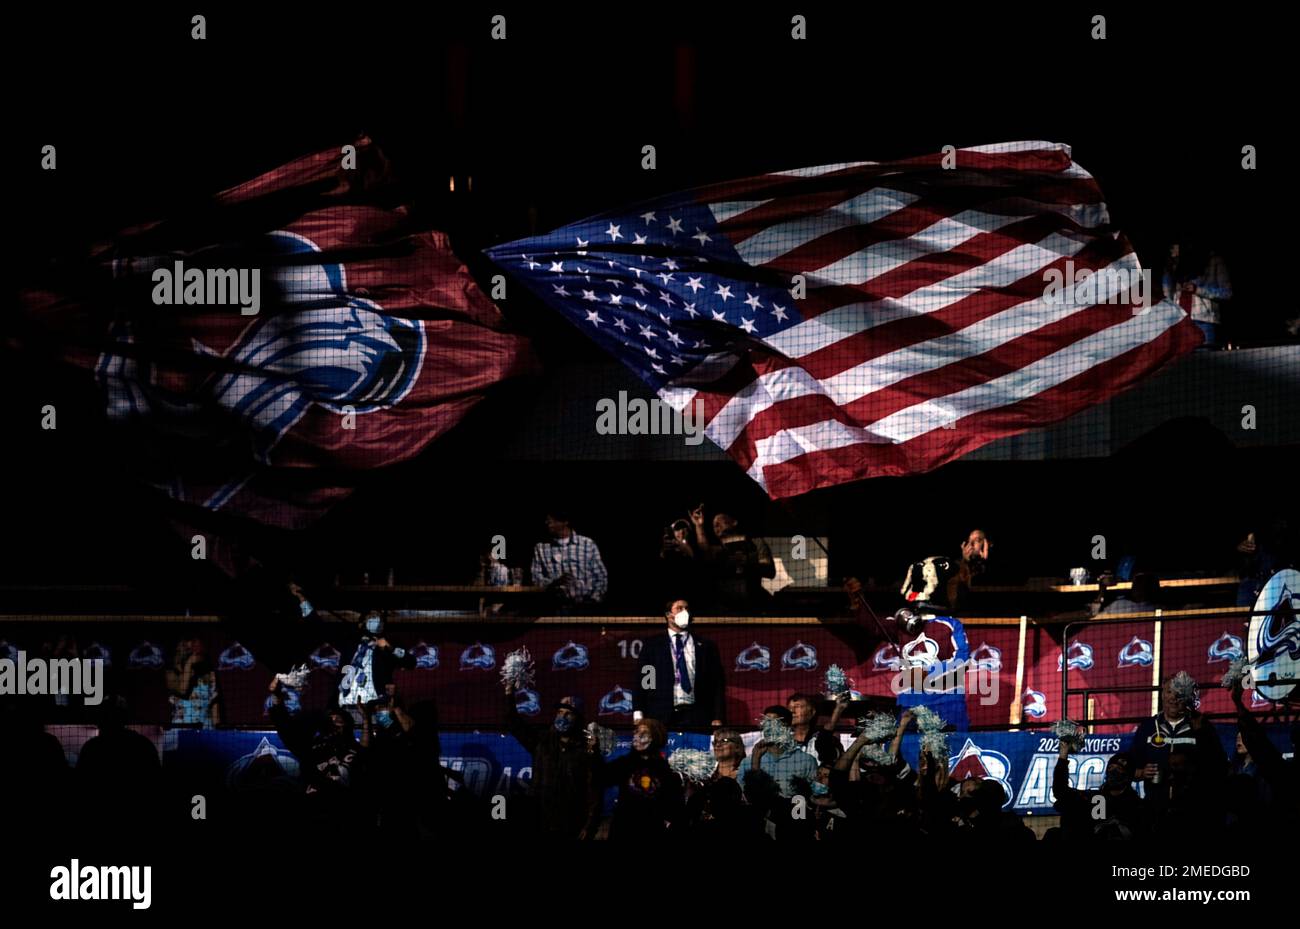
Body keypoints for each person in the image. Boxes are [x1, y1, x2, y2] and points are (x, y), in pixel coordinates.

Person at [504, 684, 604, 839]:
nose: (562, 717)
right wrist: (509, 693)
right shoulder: (541, 741)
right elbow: (513, 723)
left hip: (571, 824)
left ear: (578, 719)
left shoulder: (587, 750)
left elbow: (595, 792)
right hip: (540, 821)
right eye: (559, 712)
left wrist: (590, 825)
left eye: (568, 713)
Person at [634, 598, 726, 731]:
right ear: (668, 615)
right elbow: (646, 682)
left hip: (697, 716)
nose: (685, 612)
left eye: (687, 608)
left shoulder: (706, 646)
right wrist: (639, 713)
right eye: (679, 608)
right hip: (661, 717)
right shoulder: (652, 646)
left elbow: (716, 684)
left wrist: (718, 716)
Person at [1130, 673, 1227, 790]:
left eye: (1178, 693)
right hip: (1155, 804)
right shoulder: (1148, 727)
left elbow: (1218, 764)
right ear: (1162, 695)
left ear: (1187, 697)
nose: (1173, 698)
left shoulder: (1201, 725)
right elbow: (1131, 766)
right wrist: (1141, 772)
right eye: (1169, 692)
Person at [602, 717, 683, 840]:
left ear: (655, 737)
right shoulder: (625, 763)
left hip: (650, 831)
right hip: (623, 830)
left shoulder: (665, 771)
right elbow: (602, 778)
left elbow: (674, 807)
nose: (637, 736)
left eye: (643, 733)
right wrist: (594, 751)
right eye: (636, 732)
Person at [691, 505, 774, 612]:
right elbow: (704, 552)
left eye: (720, 521)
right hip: (724, 608)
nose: (716, 526)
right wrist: (699, 526)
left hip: (753, 604)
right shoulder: (717, 550)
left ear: (734, 522)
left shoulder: (756, 543)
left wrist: (747, 562)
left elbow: (770, 571)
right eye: (714, 525)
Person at [337, 610, 416, 720]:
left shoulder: (385, 649)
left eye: (379, 617)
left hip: (376, 710)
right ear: (361, 624)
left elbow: (411, 663)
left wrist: (390, 648)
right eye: (372, 616)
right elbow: (319, 627)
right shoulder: (349, 646)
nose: (376, 620)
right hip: (347, 709)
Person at [1052, 743, 1141, 840]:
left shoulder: (1137, 806)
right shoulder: (1095, 798)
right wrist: (1063, 756)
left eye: (1119, 769)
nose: (1113, 771)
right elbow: (1060, 791)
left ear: (1128, 775)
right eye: (1110, 767)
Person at [530, 510, 608, 609]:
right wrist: (554, 583)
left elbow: (601, 577)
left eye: (551, 521)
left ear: (565, 522)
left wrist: (594, 600)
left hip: (585, 608)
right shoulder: (541, 548)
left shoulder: (587, 544)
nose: (547, 524)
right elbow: (536, 580)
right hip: (553, 609)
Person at [1163, 241, 1232, 348]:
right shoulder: (1174, 266)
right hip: (1179, 322)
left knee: (1204, 361)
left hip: (1203, 322)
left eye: (1174, 247)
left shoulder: (1215, 261)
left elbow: (1226, 293)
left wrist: (1197, 289)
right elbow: (1167, 295)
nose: (1171, 250)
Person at [166, 638, 220, 729]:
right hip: (181, 729)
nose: (191, 653)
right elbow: (182, 690)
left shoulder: (208, 673)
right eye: (186, 648)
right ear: (177, 649)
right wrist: (189, 664)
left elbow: (214, 704)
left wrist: (217, 730)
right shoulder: (171, 673)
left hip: (205, 728)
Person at [788, 692, 843, 767]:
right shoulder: (782, 740)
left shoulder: (823, 739)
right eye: (789, 708)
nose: (792, 711)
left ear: (812, 712)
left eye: (798, 707)